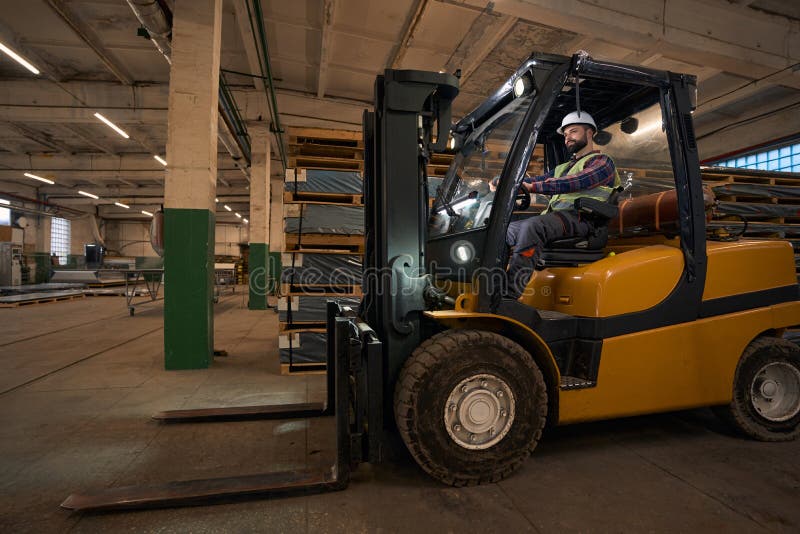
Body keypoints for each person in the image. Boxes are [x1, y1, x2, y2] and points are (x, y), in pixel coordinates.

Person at [492, 111, 620, 299]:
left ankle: (509, 296)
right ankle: (493, 288)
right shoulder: (562, 168)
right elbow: (535, 179)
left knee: (533, 226)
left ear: (590, 133)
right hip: (558, 219)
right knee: (503, 230)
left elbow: (577, 181)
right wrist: (503, 181)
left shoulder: (602, 162)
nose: (568, 138)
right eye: (565, 134)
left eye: (573, 132)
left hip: (584, 220)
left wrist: (533, 186)